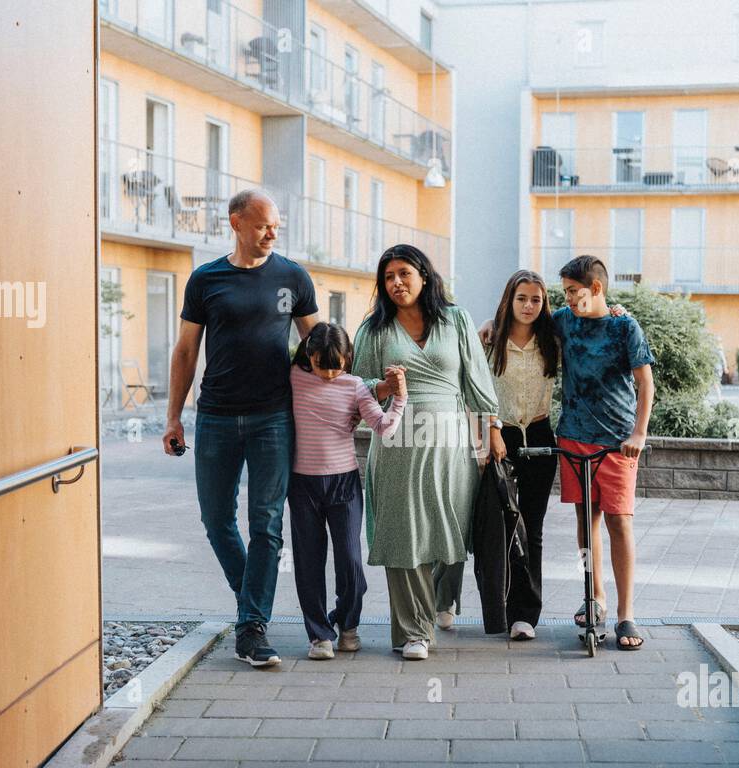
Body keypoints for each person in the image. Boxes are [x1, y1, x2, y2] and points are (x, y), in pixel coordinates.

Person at [162, 188, 321, 668]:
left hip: (274, 416)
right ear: (236, 222)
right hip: (214, 416)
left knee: (267, 523)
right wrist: (173, 416)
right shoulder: (206, 279)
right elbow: (186, 350)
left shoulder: (293, 276)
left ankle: (252, 627)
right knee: (216, 520)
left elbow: (320, 344)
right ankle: (250, 598)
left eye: (276, 225)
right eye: (263, 224)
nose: (272, 232)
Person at [352, 245, 500, 660]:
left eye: (404, 274)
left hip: (452, 441)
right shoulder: (374, 330)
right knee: (404, 533)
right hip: (398, 442)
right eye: (388, 277)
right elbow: (356, 386)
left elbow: (477, 378)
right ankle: (414, 632)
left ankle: (442, 599)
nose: (396, 283)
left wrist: (492, 429)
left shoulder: (456, 320)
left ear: (424, 275)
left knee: (449, 528)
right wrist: (383, 387)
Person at [551, 255, 655, 649]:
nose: (569, 299)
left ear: (596, 288)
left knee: (619, 523)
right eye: (565, 293)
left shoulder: (623, 325)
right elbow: (524, 323)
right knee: (585, 520)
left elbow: (646, 384)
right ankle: (594, 597)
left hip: (617, 441)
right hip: (574, 435)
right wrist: (491, 325)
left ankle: (627, 614)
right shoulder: (564, 319)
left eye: (574, 291)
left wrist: (639, 434)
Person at [288, 323, 408, 660]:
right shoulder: (293, 377)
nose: (327, 373)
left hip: (344, 483)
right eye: (320, 364)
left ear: (348, 358)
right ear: (307, 355)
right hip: (302, 484)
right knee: (308, 562)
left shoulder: (355, 386)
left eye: (336, 365)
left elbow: (384, 428)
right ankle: (319, 636)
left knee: (351, 561)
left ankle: (348, 624)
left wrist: (399, 398)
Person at [484, 270, 559, 641]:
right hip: (503, 436)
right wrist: (491, 429)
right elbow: (475, 390)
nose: (529, 306)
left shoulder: (553, 340)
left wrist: (616, 312)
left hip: (543, 438)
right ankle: (497, 608)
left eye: (536, 299)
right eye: (522, 298)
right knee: (502, 529)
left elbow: (589, 321)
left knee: (533, 527)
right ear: (509, 300)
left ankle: (525, 614)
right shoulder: (490, 340)